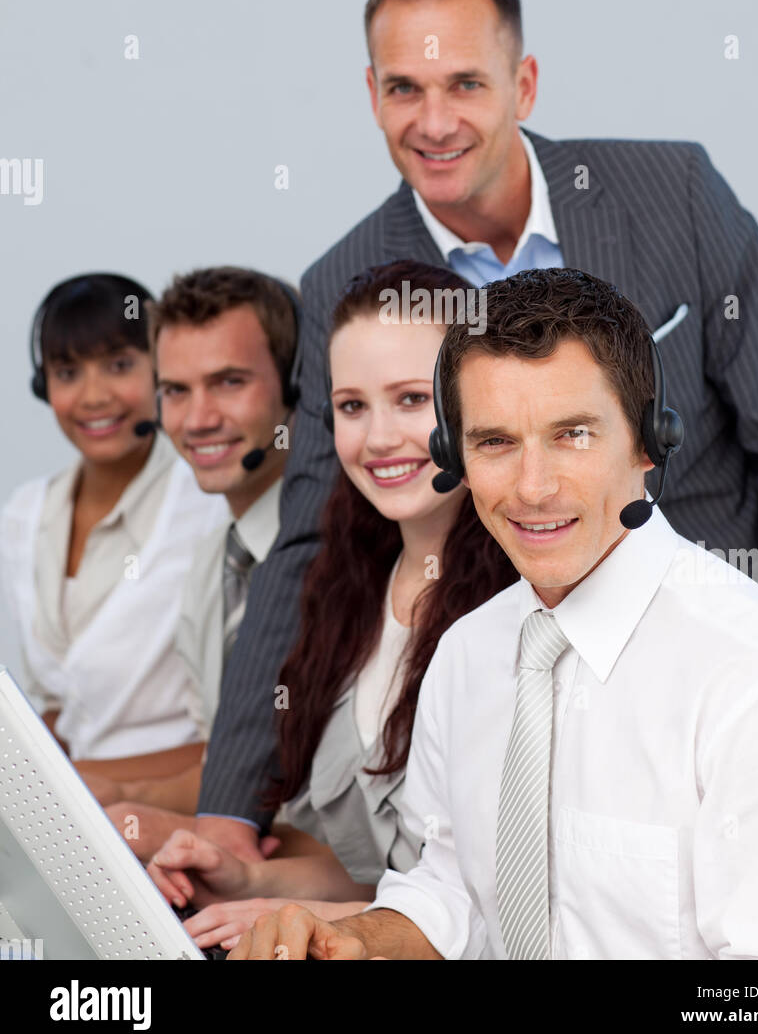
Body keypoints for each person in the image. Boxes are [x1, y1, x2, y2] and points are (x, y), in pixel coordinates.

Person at [196, 0, 758, 864]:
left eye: (465, 83)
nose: (434, 122)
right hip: (500, 698)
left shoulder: (677, 198)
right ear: (370, 92)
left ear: (526, 83)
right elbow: (307, 538)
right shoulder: (345, 283)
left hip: (712, 668)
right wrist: (229, 811)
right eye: (403, 89)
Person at [227, 268, 758, 961]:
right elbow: (450, 890)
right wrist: (351, 937)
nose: (533, 488)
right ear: (455, 459)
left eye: (573, 435)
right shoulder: (470, 654)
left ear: (651, 443)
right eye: (496, 442)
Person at [146, 261, 516, 951]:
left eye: (410, 399)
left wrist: (305, 916)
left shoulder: (525, 601)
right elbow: (374, 871)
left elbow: (496, 901)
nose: (377, 438)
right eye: (352, 406)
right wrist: (248, 882)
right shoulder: (341, 588)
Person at [99, 267, 304, 858]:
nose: (198, 419)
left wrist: (164, 828)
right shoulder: (214, 561)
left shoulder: (347, 553)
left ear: (298, 385)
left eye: (229, 382)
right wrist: (119, 793)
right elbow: (228, 762)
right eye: (176, 390)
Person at [0, 272, 227, 800]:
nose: (93, 396)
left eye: (119, 365)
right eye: (67, 372)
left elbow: (242, 742)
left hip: (180, 814)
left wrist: (90, 785)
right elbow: (58, 710)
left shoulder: (208, 506)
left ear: (160, 374)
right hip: (71, 816)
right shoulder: (25, 514)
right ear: (44, 387)